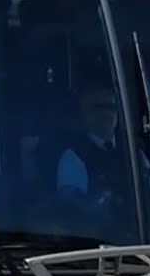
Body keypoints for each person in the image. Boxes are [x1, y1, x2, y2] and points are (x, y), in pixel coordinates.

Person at [55, 80, 130, 213]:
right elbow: (71, 211)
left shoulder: (134, 153)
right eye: (99, 107)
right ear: (83, 113)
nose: (108, 112)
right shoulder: (73, 157)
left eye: (111, 106)